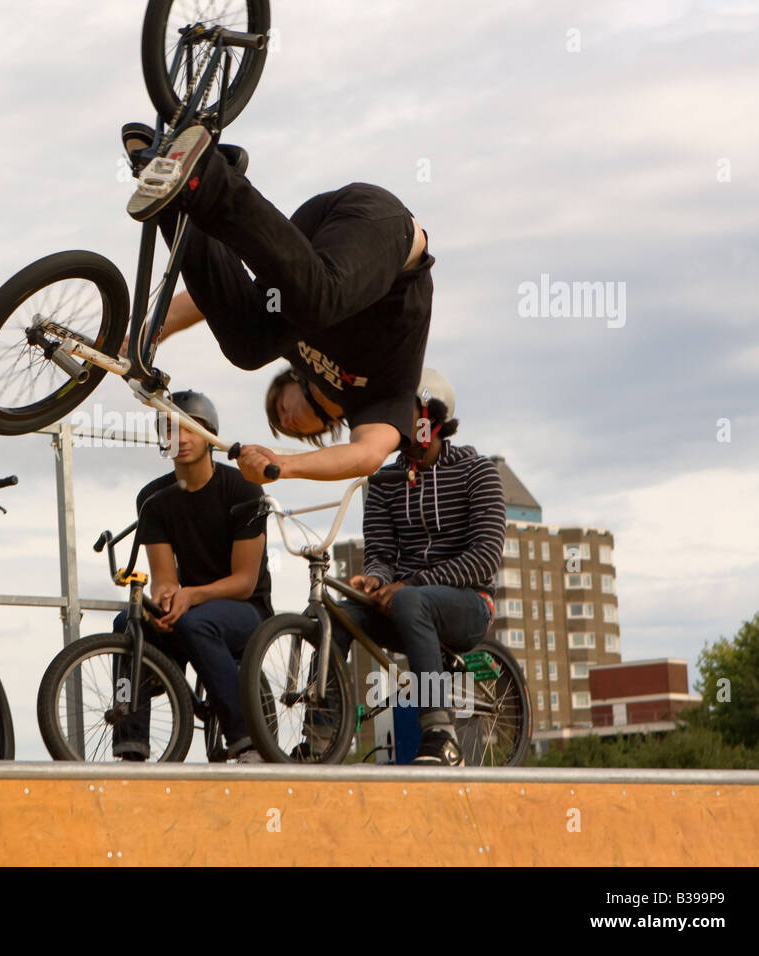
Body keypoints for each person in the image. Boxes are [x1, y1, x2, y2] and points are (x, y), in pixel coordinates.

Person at [122, 121, 432, 485]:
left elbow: (215, 300)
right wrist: (286, 466)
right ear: (328, 425)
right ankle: (209, 174)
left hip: (310, 242)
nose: (286, 422)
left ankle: (177, 200)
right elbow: (366, 456)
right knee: (319, 304)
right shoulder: (382, 400)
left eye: (285, 426)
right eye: (285, 412)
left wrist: (143, 338)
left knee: (249, 346)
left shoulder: (288, 335)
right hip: (388, 230)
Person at [331, 371, 505, 765]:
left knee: (412, 601)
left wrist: (412, 584)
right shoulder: (383, 480)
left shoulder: (477, 472)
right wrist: (374, 579)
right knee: (335, 611)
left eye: (402, 411)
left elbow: (485, 557)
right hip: (403, 602)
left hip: (469, 604)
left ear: (433, 418)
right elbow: (380, 551)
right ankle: (319, 732)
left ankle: (440, 735)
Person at [113, 390, 273, 762]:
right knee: (129, 622)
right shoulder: (153, 497)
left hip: (246, 609)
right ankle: (130, 745)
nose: (180, 439)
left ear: (211, 436)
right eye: (168, 430)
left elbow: (245, 581)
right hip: (192, 608)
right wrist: (167, 600)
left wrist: (191, 596)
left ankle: (247, 740)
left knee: (197, 624)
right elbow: (165, 577)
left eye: (189, 429)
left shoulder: (243, 488)